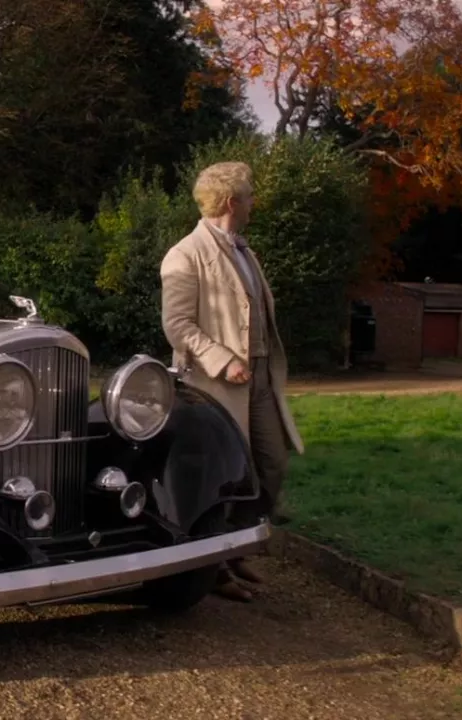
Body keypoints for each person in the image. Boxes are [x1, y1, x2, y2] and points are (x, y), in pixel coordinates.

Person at [159, 161, 304, 603]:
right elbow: (177, 324)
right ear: (231, 202)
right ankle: (215, 568)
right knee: (223, 476)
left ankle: (237, 545)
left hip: (261, 376)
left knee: (271, 464)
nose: (255, 201)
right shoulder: (185, 254)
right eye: (250, 195)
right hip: (215, 384)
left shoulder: (244, 249)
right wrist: (222, 360)